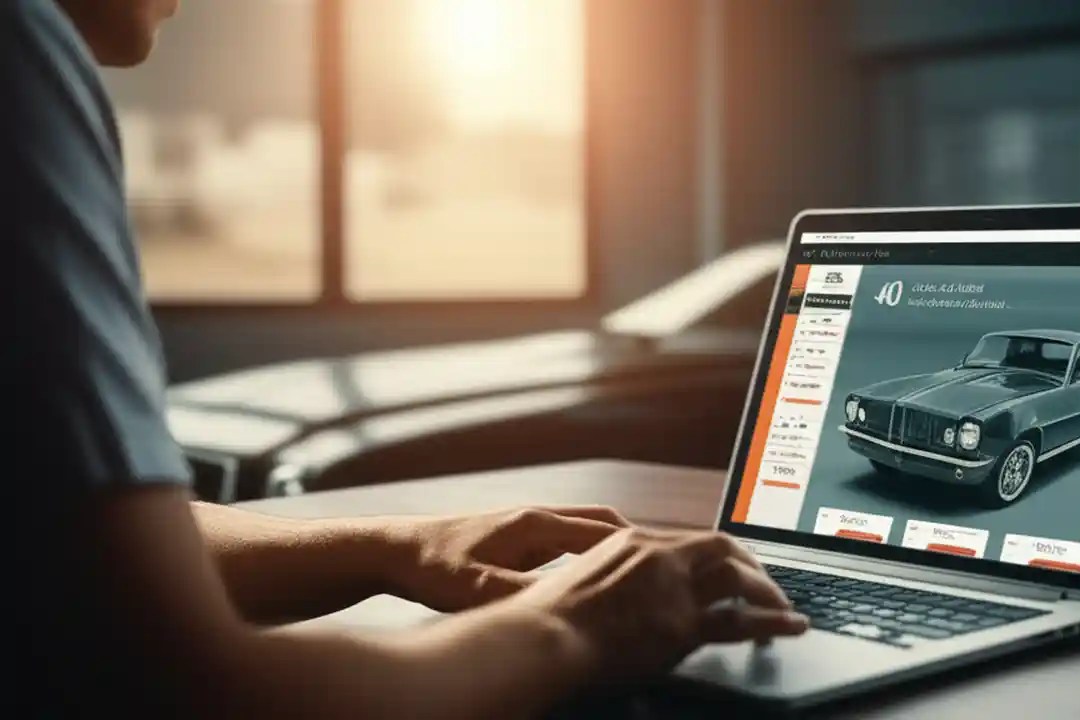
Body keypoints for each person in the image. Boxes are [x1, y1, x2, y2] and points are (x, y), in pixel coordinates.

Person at [3, 1, 809, 716]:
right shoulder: (23, 48)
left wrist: (397, 547)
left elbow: (81, 550)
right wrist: (568, 628)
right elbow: (186, 690)